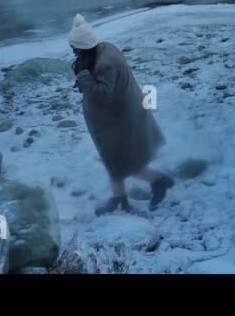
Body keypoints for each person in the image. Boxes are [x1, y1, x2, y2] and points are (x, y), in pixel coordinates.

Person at [69, 13, 173, 215]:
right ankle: (120, 199)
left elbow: (103, 96)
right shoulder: (105, 47)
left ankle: (159, 181)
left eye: (75, 47)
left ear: (84, 47)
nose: (73, 51)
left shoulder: (104, 64)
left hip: (118, 118)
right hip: (113, 117)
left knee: (122, 162)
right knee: (112, 159)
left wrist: (84, 79)